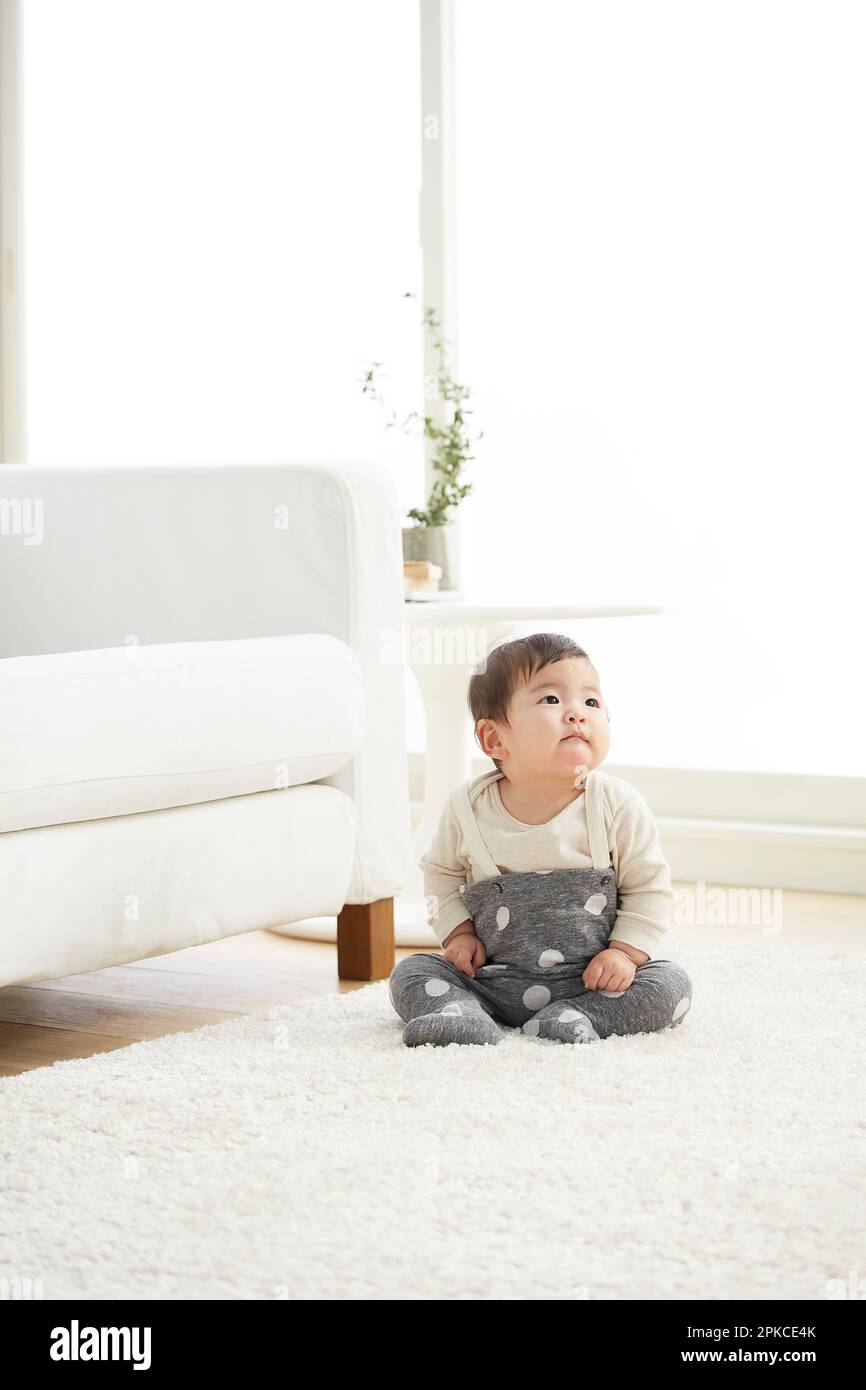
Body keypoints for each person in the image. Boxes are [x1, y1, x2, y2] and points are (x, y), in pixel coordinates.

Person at [389, 631, 692, 1046]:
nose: (577, 714)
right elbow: (439, 875)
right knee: (411, 973)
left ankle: (578, 1017)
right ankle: (461, 1014)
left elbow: (649, 888)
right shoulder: (467, 808)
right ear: (495, 739)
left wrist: (623, 953)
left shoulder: (614, 803)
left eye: (591, 701)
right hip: (492, 982)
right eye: (551, 700)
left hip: (591, 982)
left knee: (670, 982)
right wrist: (458, 934)